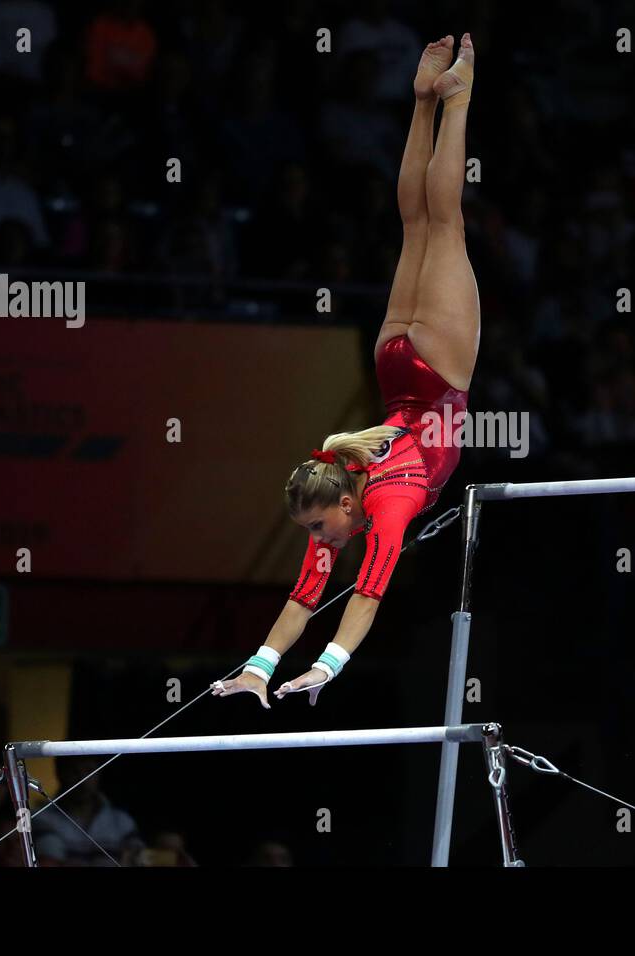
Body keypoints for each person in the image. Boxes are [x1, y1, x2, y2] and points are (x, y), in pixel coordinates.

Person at [213, 34, 479, 708]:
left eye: (317, 530)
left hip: (432, 370)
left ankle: (453, 98)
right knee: (419, 224)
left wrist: (327, 666)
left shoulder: (386, 497)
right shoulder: (343, 491)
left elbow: (368, 591)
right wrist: (258, 666)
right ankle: (424, 101)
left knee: (439, 224)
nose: (318, 542)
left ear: (340, 503)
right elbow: (307, 595)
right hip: (397, 364)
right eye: (313, 534)